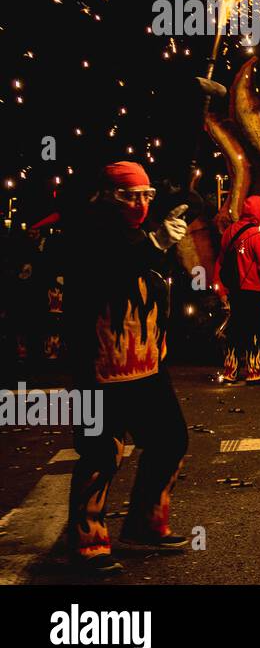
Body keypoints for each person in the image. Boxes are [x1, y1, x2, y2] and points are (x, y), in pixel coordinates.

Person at [63, 161, 190, 575]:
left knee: (170, 440)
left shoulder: (140, 230)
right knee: (101, 452)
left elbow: (190, 197)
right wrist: (156, 243)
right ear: (108, 195)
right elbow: (115, 268)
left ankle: (145, 524)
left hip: (147, 362)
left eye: (145, 195)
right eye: (129, 195)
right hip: (100, 364)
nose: (139, 204)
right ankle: (88, 540)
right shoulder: (90, 230)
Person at [217, 195, 260, 384]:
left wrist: (222, 291)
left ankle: (230, 371)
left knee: (235, 330)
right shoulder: (257, 234)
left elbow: (220, 263)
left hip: (235, 291)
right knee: (254, 331)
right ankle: (253, 372)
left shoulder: (228, 232)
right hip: (253, 291)